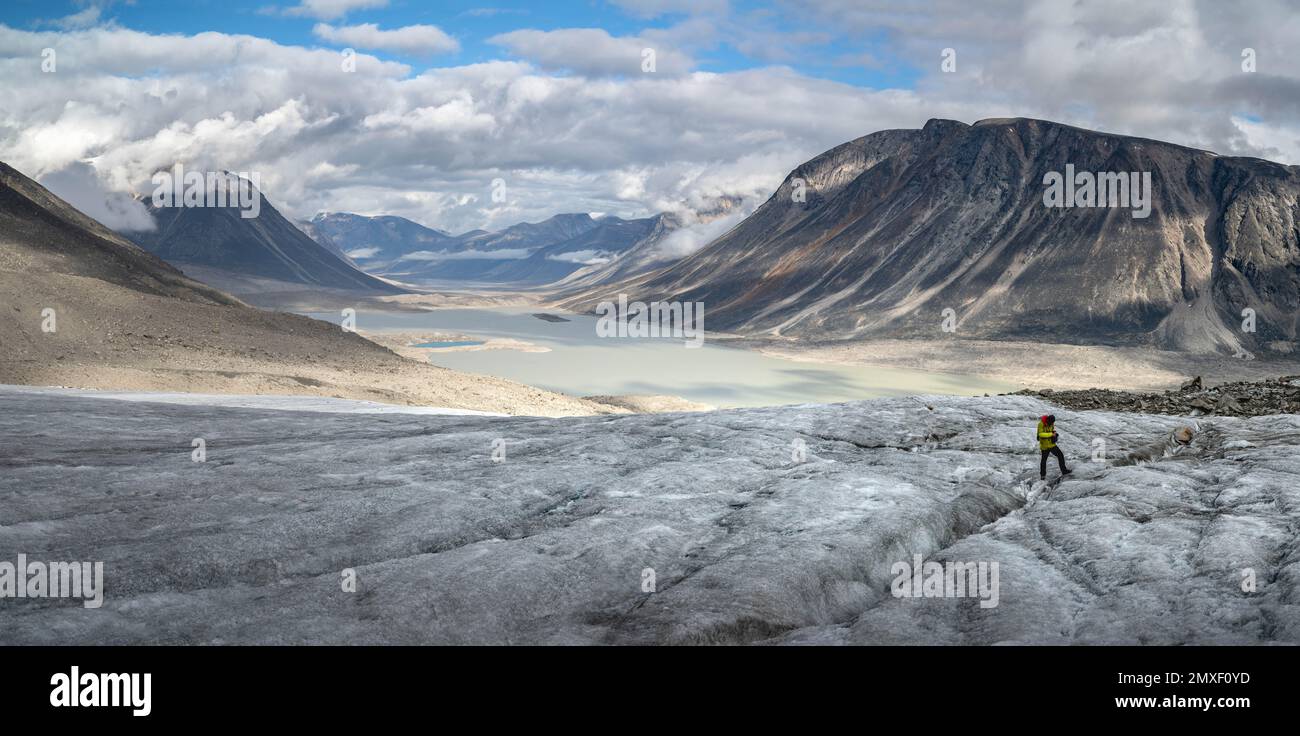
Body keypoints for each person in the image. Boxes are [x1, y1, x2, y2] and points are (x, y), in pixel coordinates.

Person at [1036, 414, 1071, 481]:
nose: (1052, 424)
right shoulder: (1041, 424)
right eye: (1051, 422)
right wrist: (1051, 434)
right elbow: (1040, 434)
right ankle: (1042, 476)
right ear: (1048, 420)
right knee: (1043, 461)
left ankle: (1064, 470)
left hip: (1052, 444)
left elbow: (1051, 430)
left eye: (1053, 423)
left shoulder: (1051, 423)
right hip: (1045, 446)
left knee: (1060, 455)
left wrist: (1054, 433)